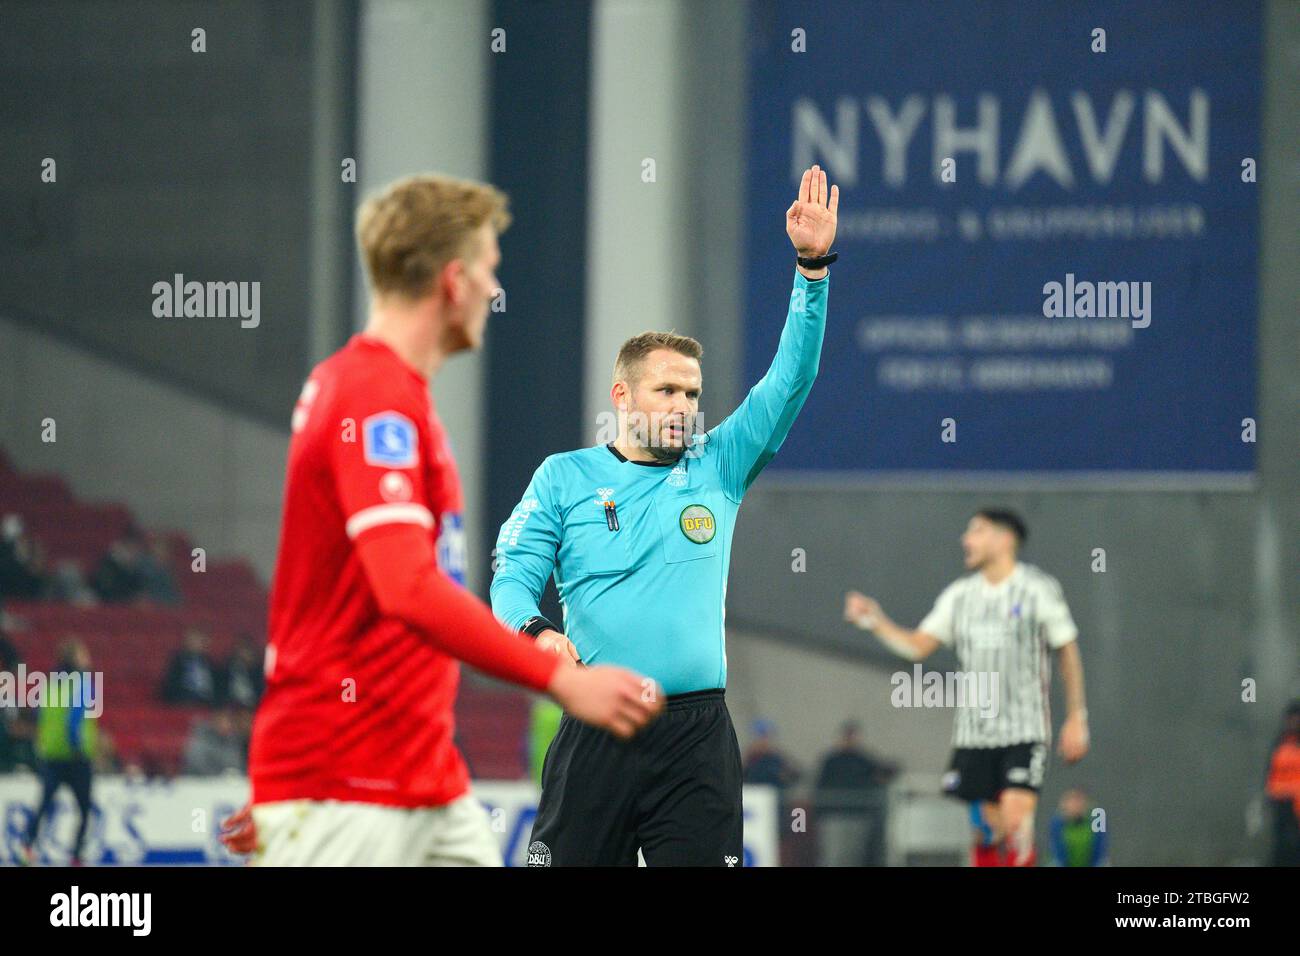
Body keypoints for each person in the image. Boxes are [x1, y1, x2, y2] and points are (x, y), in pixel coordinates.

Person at [219, 174, 662, 866]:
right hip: (346, 781)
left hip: (418, 783)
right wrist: (562, 678)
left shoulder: (393, 395)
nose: (494, 288)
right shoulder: (370, 396)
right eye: (488, 268)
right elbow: (406, 587)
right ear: (453, 281)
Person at [491, 165, 838, 866]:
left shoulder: (719, 465)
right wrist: (535, 633)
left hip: (696, 736)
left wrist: (811, 272)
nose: (684, 405)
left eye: (692, 392)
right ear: (622, 395)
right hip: (597, 729)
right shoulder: (564, 478)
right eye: (667, 390)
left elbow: (790, 381)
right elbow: (510, 577)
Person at [845, 509, 1089, 867]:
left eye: (976, 531)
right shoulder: (960, 596)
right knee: (988, 832)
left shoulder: (1037, 589)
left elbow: (1067, 649)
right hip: (974, 736)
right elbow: (918, 646)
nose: (966, 539)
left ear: (1005, 539)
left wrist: (1077, 716)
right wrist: (876, 622)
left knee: (1016, 819)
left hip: (1025, 731)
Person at [20, 638, 98, 866]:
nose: (88, 658)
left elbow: (38, 715)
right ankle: (76, 855)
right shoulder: (83, 683)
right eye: (84, 654)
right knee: (84, 809)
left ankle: (26, 847)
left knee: (43, 804)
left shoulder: (50, 684)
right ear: (75, 658)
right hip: (75, 758)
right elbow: (74, 720)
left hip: (50, 755)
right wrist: (77, 748)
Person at [813, 721, 896, 866]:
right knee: (833, 855)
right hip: (834, 816)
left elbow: (884, 772)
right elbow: (820, 787)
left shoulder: (864, 760)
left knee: (853, 856)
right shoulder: (831, 761)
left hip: (858, 816)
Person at [1265, 700, 1300, 866]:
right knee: (1282, 848)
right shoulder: (1280, 743)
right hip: (1282, 805)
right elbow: (1271, 772)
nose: (1293, 722)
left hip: (1296, 805)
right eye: (1291, 718)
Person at [1048, 787, 1108, 866]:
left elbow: (1100, 850)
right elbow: (1057, 852)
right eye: (1072, 802)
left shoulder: (1097, 821)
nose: (1076, 806)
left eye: (1079, 801)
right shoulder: (1057, 824)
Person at [159, 628, 219, 705]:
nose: (201, 643)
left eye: (203, 640)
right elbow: (170, 686)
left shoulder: (210, 663)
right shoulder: (178, 661)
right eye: (196, 640)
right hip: (185, 700)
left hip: (207, 702)